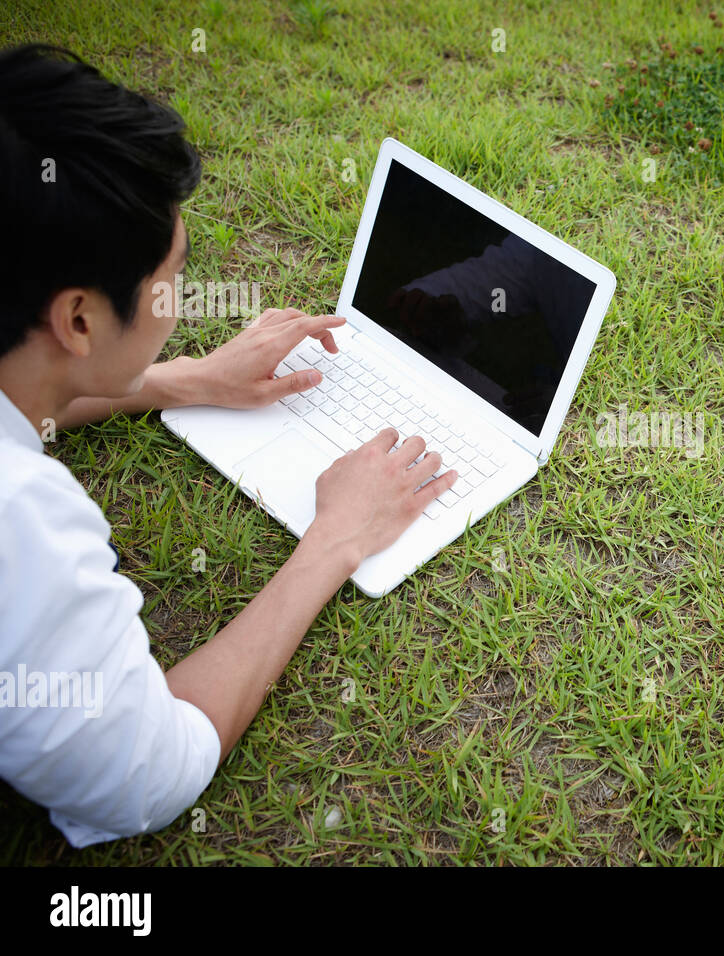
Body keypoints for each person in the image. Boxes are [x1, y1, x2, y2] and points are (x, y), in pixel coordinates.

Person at [0, 43, 458, 846]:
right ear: (79, 320)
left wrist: (183, 379)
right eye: (175, 274)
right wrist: (334, 540)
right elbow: (146, 777)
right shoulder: (21, 525)